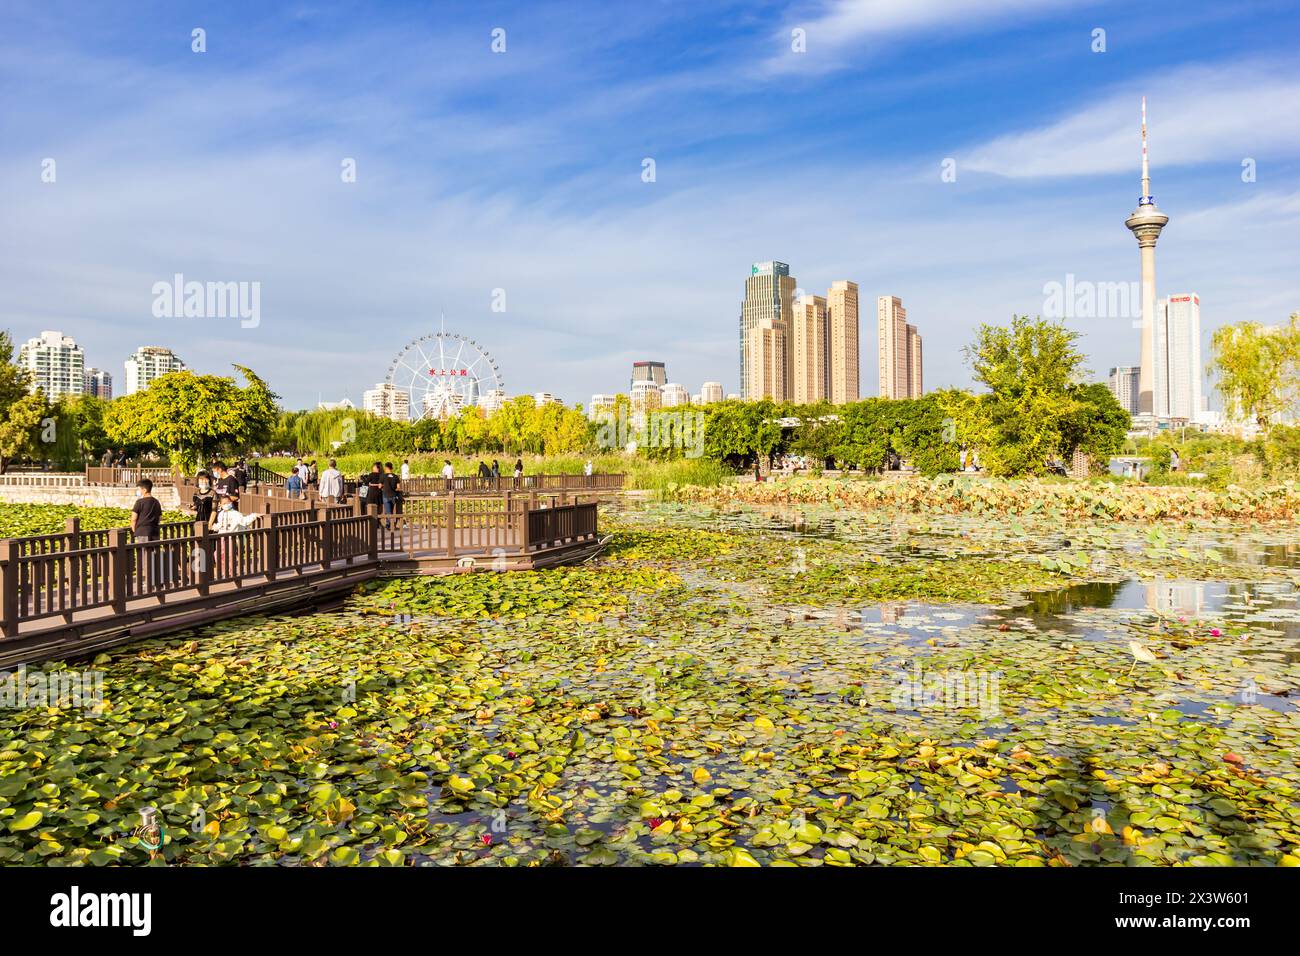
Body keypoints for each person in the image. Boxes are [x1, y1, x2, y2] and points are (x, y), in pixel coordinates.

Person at [132, 478, 165, 588]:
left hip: (142, 532)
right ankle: (157, 580)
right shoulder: (156, 502)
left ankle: (148, 581)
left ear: (145, 489)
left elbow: (133, 518)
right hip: (154, 531)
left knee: (144, 557)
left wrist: (133, 529)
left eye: (140, 489)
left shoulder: (139, 502)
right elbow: (159, 518)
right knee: (155, 555)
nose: (139, 491)